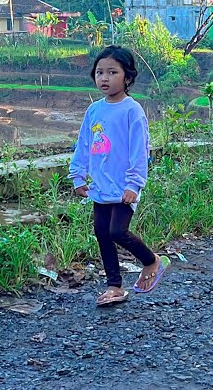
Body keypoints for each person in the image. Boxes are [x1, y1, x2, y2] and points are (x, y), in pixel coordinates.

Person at [70, 45, 170, 307]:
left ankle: (151, 260)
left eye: (112, 72)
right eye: (100, 72)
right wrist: (78, 175)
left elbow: (140, 150)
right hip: (101, 185)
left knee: (117, 231)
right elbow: (83, 143)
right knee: (101, 232)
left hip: (124, 185)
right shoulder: (94, 111)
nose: (104, 78)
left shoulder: (131, 110)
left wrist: (134, 184)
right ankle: (114, 286)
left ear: (127, 77)